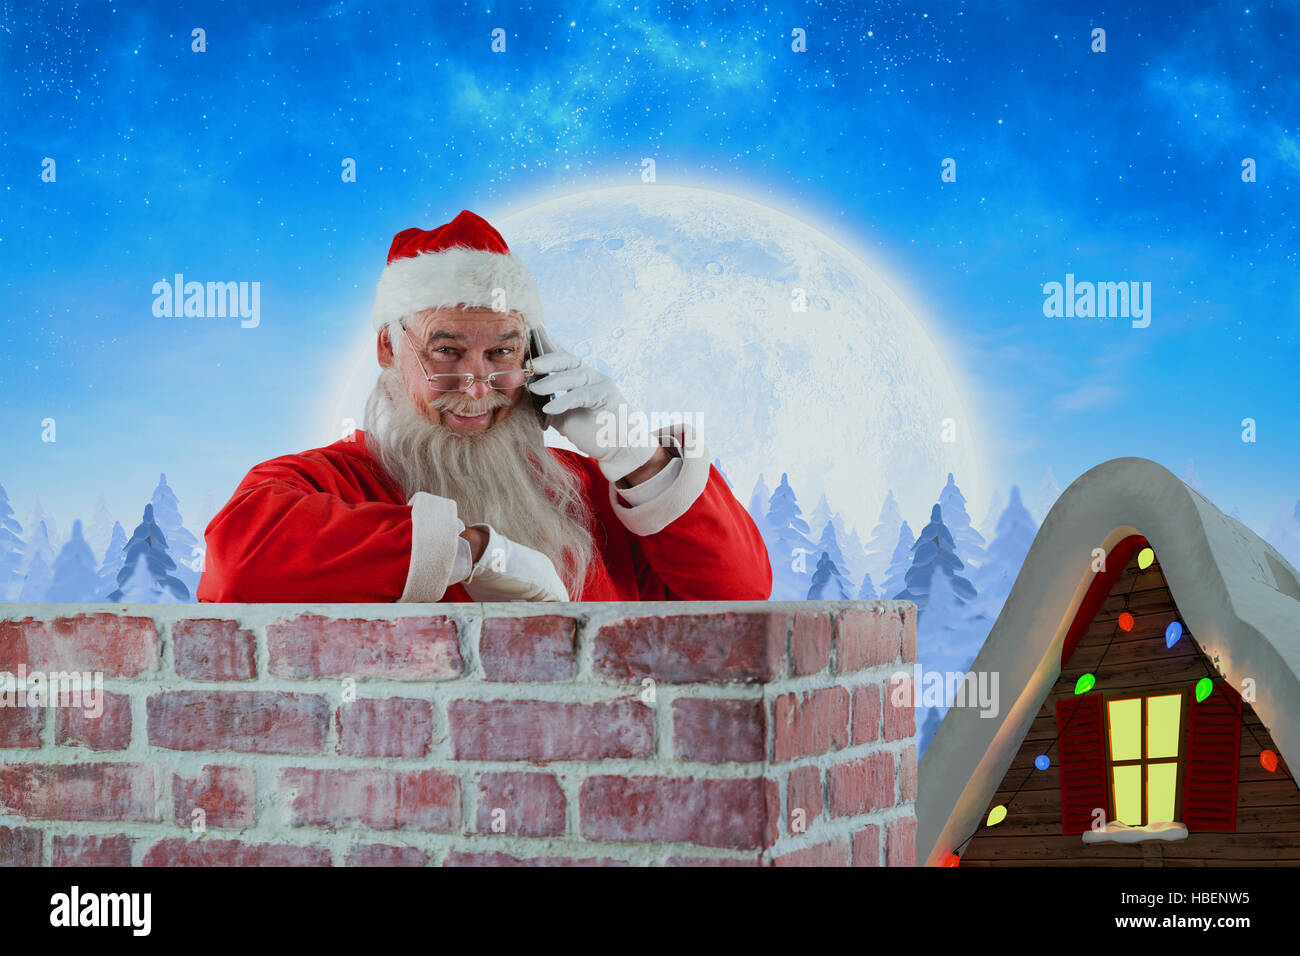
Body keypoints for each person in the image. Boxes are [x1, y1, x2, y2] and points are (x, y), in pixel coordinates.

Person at [196, 210, 771, 603]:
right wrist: (475, 553)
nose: (476, 387)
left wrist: (634, 452)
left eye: (503, 352)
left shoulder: (591, 491)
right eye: (445, 351)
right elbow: (240, 563)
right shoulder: (327, 482)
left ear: (537, 355)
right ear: (387, 349)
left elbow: (741, 596)